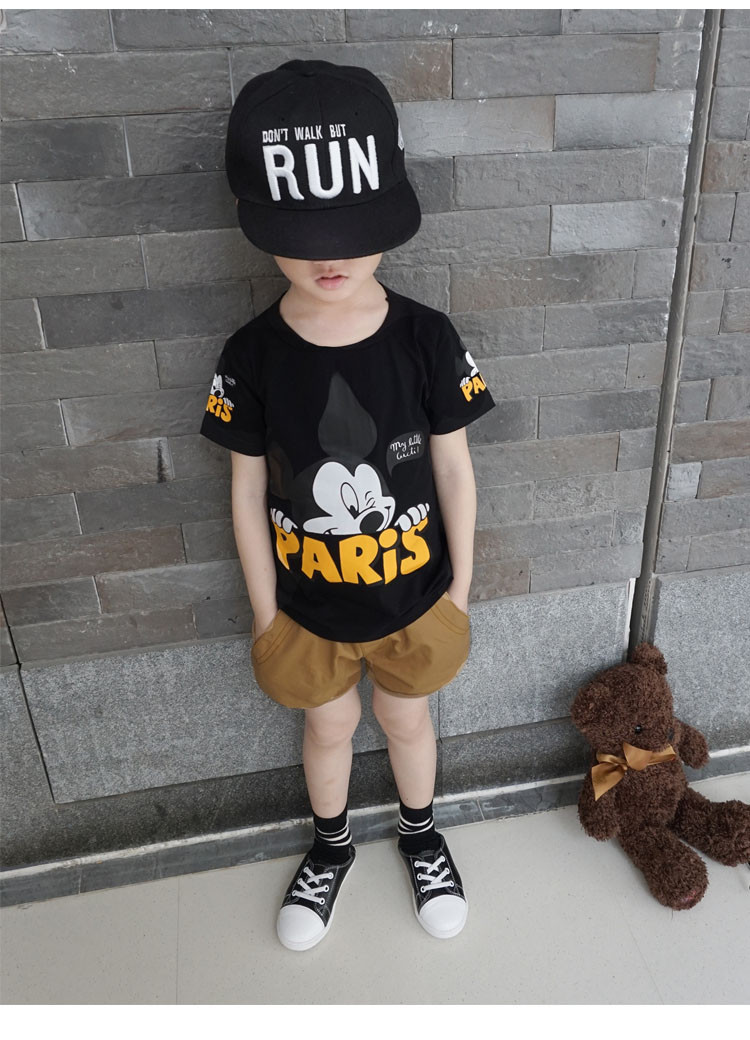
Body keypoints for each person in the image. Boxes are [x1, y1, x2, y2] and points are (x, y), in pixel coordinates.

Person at [200, 59, 496, 952]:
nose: (330, 257)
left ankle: (420, 835)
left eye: (352, 230)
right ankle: (330, 846)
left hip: (417, 599)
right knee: (327, 727)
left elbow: (455, 470)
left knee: (407, 718)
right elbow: (245, 489)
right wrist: (266, 615)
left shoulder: (426, 337)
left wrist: (460, 593)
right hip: (307, 614)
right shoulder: (252, 354)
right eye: (305, 233)